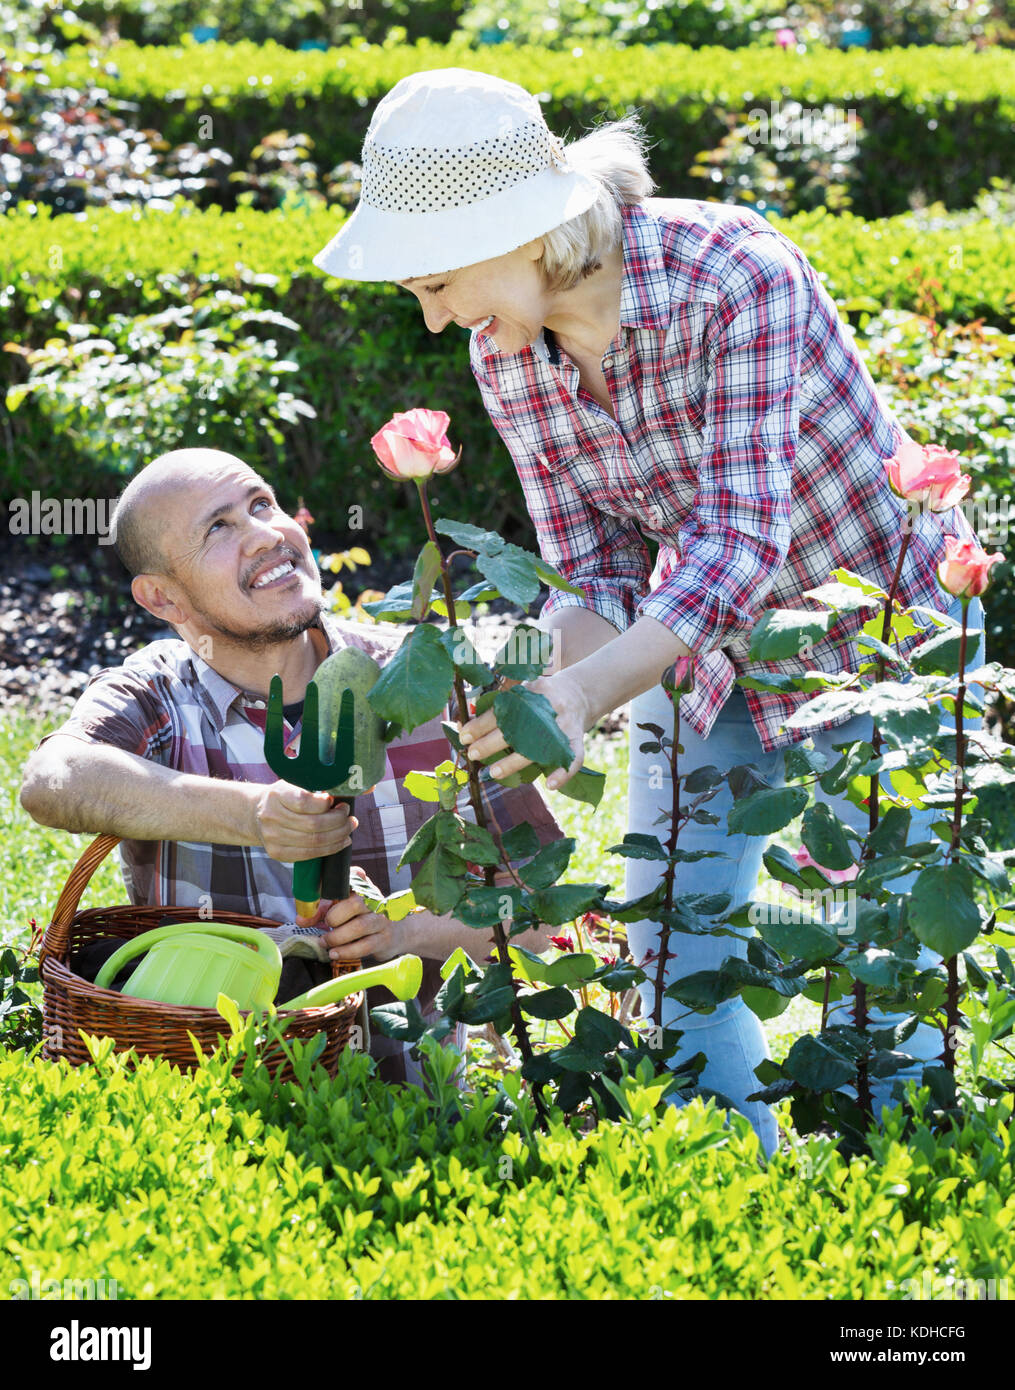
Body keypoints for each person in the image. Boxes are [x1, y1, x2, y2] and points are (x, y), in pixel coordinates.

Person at [312, 67, 987, 1152]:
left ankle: (888, 1228)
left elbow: (735, 545)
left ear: (523, 233)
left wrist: (585, 688)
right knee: (676, 956)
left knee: (887, 967)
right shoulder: (509, 358)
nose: (437, 320)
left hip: (882, 643)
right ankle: (725, 1206)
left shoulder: (734, 273)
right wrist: (535, 704)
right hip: (702, 654)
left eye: (436, 281)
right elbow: (600, 572)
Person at [19, 447, 562, 1086]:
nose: (265, 534)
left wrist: (405, 932)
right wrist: (253, 816)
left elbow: (539, 908)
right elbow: (51, 781)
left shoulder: (421, 677)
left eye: (261, 504)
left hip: (417, 1113)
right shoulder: (160, 693)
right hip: (222, 1096)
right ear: (163, 597)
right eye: (217, 528)